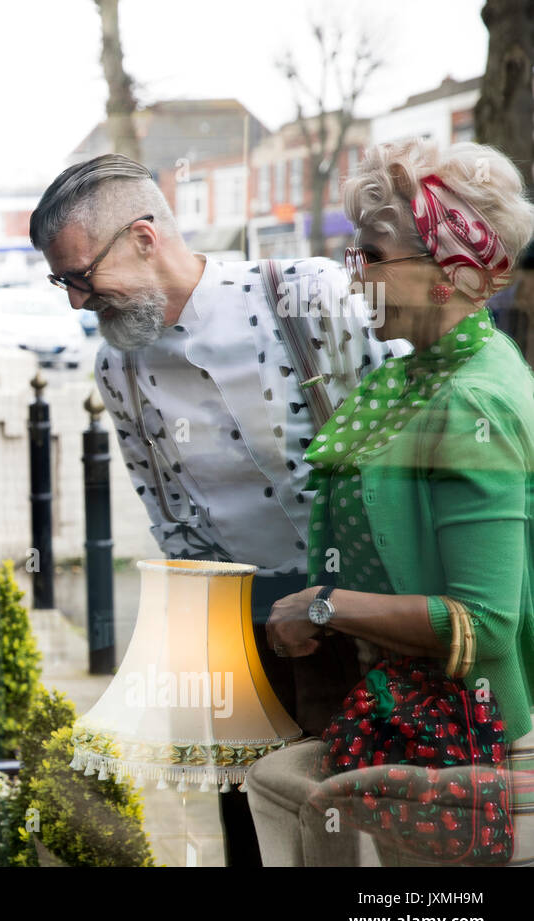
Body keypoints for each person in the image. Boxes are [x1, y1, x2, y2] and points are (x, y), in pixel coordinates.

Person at [30, 154, 404, 866]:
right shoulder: (119, 367)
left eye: (80, 276)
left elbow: (400, 445)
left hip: (358, 615)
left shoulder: (307, 295)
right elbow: (167, 513)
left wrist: (339, 606)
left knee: (354, 829)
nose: (77, 302)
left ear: (145, 237)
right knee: (251, 832)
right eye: (63, 282)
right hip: (239, 633)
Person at [247, 138, 534, 866]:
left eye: (371, 256)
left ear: (453, 265)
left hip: (457, 753)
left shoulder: (475, 396)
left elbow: (485, 624)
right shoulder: (408, 378)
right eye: (352, 256)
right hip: (391, 729)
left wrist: (322, 605)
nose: (353, 280)